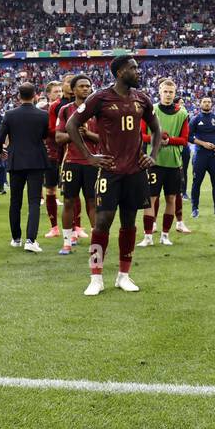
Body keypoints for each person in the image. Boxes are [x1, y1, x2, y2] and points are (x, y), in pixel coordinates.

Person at [66, 56, 163, 296]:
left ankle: (124, 275)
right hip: (109, 172)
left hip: (135, 172)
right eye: (133, 68)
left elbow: (157, 128)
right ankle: (96, 277)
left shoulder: (142, 98)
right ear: (120, 72)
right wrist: (89, 156)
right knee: (102, 223)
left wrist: (153, 155)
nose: (138, 72)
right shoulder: (100, 97)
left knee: (129, 223)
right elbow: (71, 124)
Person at [0, 82, 50, 252]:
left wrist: (0, 151)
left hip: (16, 160)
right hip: (36, 160)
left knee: (15, 201)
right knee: (34, 201)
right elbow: (44, 136)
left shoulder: (10, 114)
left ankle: (16, 238)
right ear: (35, 95)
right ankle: (31, 240)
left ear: (18, 96)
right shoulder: (43, 115)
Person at [141, 78, 189, 247]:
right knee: (151, 199)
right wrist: (157, 139)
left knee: (171, 199)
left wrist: (169, 140)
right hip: (154, 161)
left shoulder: (183, 113)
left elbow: (184, 140)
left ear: (175, 94)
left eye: (171, 92)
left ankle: (165, 235)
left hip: (174, 163)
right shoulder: (150, 110)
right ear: (159, 92)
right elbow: (142, 135)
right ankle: (147, 236)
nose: (168, 95)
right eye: (165, 91)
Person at [55, 74, 100, 255]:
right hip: (71, 162)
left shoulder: (97, 110)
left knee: (93, 203)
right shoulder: (65, 110)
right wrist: (75, 133)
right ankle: (66, 242)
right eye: (81, 86)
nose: (85, 89)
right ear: (73, 90)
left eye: (88, 86)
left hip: (92, 162)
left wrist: (87, 134)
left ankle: (96, 243)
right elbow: (58, 138)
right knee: (68, 201)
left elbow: (103, 140)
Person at [188, 95, 215, 219]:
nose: (207, 104)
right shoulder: (195, 119)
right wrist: (203, 144)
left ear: (211, 104)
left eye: (209, 102)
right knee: (197, 183)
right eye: (204, 102)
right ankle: (194, 209)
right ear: (200, 104)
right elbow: (188, 137)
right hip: (200, 155)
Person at [42, 79, 67, 238]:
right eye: (56, 92)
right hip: (50, 153)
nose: (59, 94)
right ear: (49, 94)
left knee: (70, 192)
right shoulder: (43, 111)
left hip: (67, 152)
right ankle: (54, 227)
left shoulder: (67, 108)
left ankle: (75, 227)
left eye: (60, 91)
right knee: (50, 188)